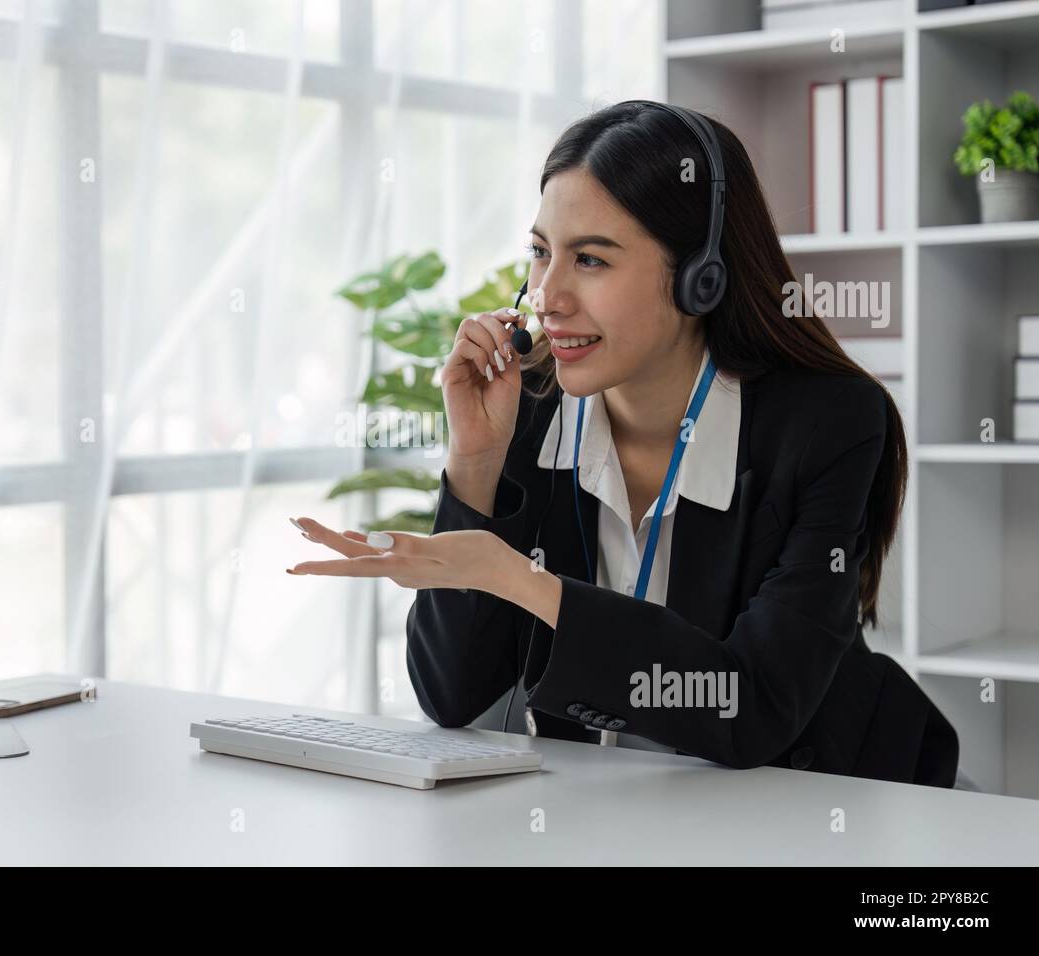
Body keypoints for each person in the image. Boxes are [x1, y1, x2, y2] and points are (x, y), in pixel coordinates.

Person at [286, 100, 958, 787]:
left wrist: (521, 580)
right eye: (541, 254)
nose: (547, 296)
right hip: (624, 817)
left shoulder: (829, 424)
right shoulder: (532, 408)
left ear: (702, 276)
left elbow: (751, 705)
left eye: (590, 260)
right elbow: (450, 696)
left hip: (837, 800)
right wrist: (475, 464)